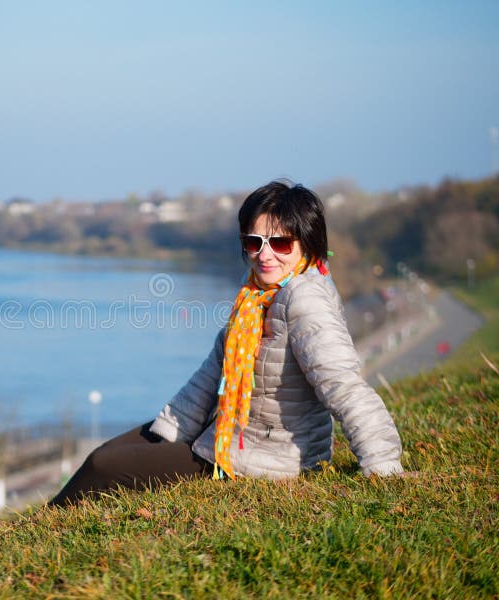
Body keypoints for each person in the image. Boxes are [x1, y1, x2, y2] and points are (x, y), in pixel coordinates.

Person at [49, 180, 404, 507]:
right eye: (254, 242)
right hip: (227, 437)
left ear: (307, 243)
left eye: (280, 243)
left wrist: (382, 464)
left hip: (264, 460)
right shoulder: (255, 296)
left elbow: (343, 384)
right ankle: (51, 520)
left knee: (105, 465)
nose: (265, 255)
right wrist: (171, 431)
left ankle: (48, 528)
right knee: (110, 451)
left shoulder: (304, 299)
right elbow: (210, 375)